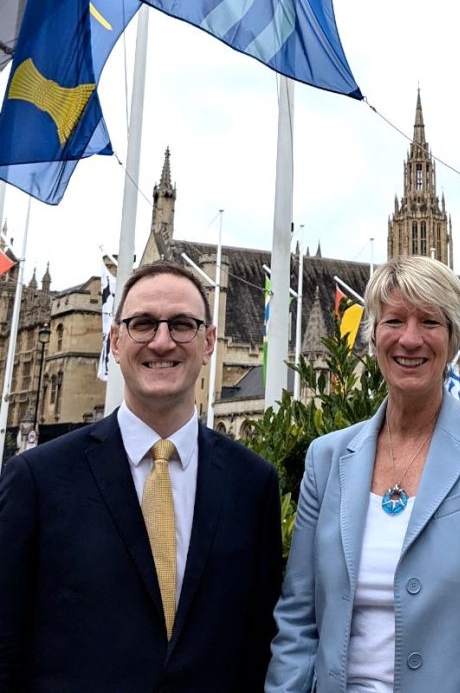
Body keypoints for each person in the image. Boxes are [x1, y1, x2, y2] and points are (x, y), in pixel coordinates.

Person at [266, 255, 460, 693]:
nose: (410, 339)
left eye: (430, 322)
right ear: (373, 336)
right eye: (394, 320)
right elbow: (298, 616)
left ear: (454, 340)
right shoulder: (327, 458)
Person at [0, 259, 282, 693]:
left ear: (208, 342)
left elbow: (258, 645)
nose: (163, 341)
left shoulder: (253, 483)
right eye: (143, 324)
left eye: (183, 325)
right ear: (115, 341)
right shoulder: (37, 479)